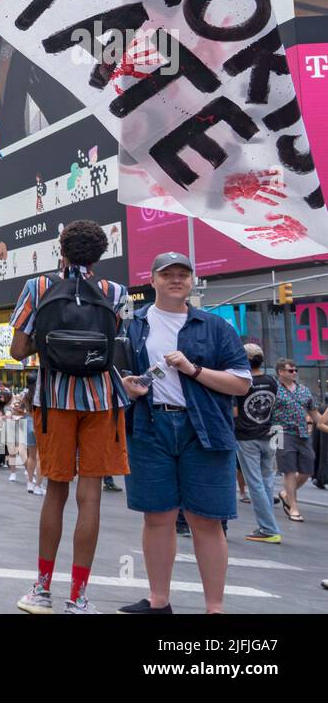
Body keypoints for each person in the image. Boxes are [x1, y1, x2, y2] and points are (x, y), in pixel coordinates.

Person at [119, 252, 252, 615]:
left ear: (192, 281)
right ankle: (159, 601)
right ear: (153, 280)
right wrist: (126, 387)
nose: (176, 280)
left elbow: (241, 383)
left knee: (206, 520)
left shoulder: (215, 327)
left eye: (183, 274)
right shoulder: (133, 325)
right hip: (149, 426)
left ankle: (215, 608)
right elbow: (116, 375)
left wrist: (193, 370)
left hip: (205, 428)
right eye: (167, 274)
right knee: (157, 516)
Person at [9, 219, 129, 614]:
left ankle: (41, 589)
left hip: (54, 400)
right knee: (90, 495)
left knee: (55, 491)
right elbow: (117, 348)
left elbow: (17, 350)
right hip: (102, 402)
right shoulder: (115, 292)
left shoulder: (38, 288)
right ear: (99, 254)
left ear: (61, 250)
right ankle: (79, 596)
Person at [233, 345, 281, 544]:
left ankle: (269, 528)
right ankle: (267, 525)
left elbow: (235, 412)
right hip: (268, 433)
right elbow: (274, 407)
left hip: (247, 435)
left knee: (255, 483)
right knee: (267, 480)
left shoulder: (242, 383)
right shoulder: (271, 381)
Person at [271, 358, 322, 525]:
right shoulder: (274, 389)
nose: (294, 373)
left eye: (295, 370)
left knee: (308, 469)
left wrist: (323, 421)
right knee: (289, 470)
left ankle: (286, 494)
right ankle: (293, 507)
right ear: (281, 372)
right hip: (280, 432)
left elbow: (316, 416)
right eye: (290, 370)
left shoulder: (304, 391)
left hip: (302, 433)